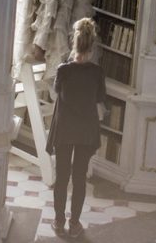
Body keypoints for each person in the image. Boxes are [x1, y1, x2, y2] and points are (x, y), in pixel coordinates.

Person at [46, 17, 107, 238]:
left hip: (65, 129)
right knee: (79, 178)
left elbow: (56, 93)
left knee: (61, 177)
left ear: (74, 43)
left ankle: (58, 220)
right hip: (86, 130)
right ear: (92, 46)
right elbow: (100, 98)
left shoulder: (63, 70)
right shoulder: (97, 72)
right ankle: (74, 224)